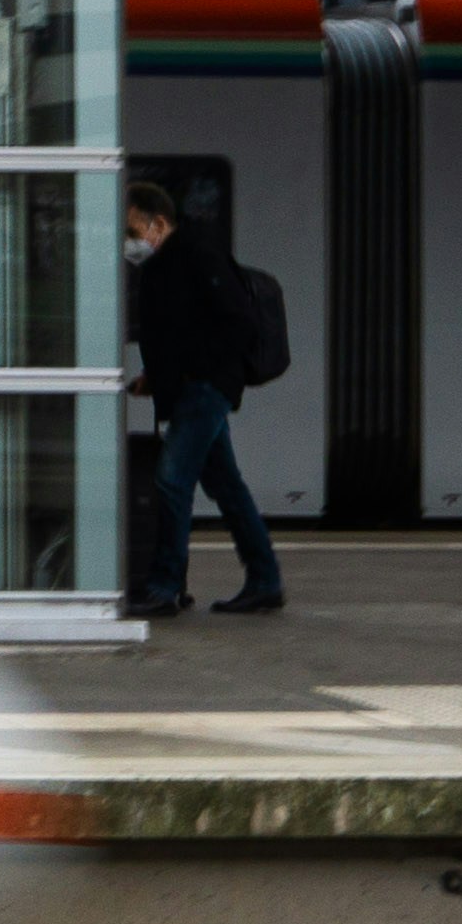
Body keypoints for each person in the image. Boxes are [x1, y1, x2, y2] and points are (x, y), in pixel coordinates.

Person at [121, 178, 283, 622]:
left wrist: (197, 372)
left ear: (158, 223)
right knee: (227, 487)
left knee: (172, 481)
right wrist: (156, 377)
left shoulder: (196, 253)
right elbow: (180, 330)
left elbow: (236, 321)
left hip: (204, 388)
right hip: (189, 386)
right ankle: (265, 581)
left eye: (133, 231)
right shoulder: (163, 264)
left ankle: (164, 587)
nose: (129, 243)